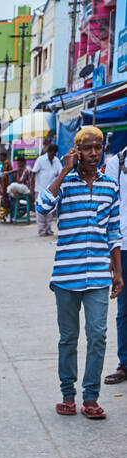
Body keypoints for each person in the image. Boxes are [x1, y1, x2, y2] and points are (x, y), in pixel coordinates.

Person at [36, 126, 122, 420]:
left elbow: (114, 233)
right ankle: (68, 394)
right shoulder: (65, 184)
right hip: (66, 276)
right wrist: (62, 173)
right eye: (87, 148)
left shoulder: (110, 186)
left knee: (98, 336)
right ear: (76, 151)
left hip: (98, 274)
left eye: (98, 147)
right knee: (68, 338)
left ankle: (91, 397)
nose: (93, 153)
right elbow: (43, 206)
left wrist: (118, 273)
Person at [103, 144, 127, 384]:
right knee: (124, 309)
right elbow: (109, 208)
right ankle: (125, 363)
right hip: (125, 244)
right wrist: (112, 250)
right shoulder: (117, 163)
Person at [32, 142, 63, 236]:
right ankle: (41, 230)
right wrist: (32, 187)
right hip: (40, 188)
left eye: (55, 153)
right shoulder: (40, 160)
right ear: (49, 152)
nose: (54, 155)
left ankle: (48, 229)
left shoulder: (56, 161)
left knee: (50, 211)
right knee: (40, 211)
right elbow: (33, 173)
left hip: (51, 190)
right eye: (53, 153)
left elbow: (60, 173)